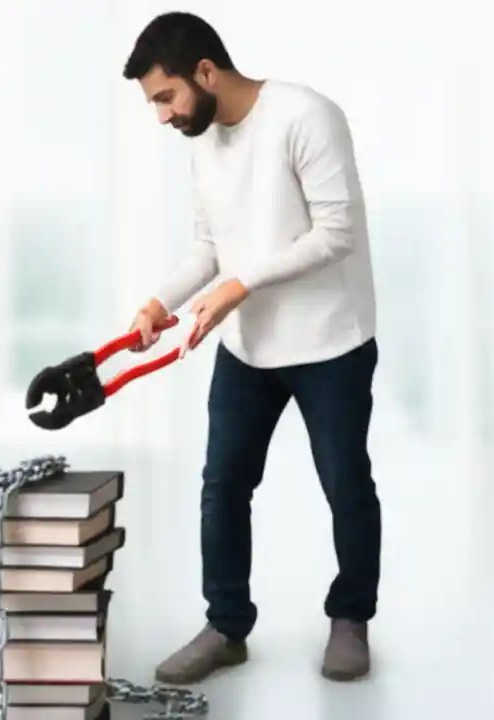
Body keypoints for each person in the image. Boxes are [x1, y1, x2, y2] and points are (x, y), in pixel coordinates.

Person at [122, 12, 381, 683]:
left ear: (206, 72)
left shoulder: (306, 116)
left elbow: (336, 233)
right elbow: (209, 248)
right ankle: (226, 627)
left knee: (346, 486)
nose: (162, 115)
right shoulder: (203, 141)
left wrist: (240, 285)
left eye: (166, 96)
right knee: (223, 488)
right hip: (247, 349)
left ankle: (351, 619)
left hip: (330, 343)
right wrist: (158, 303)